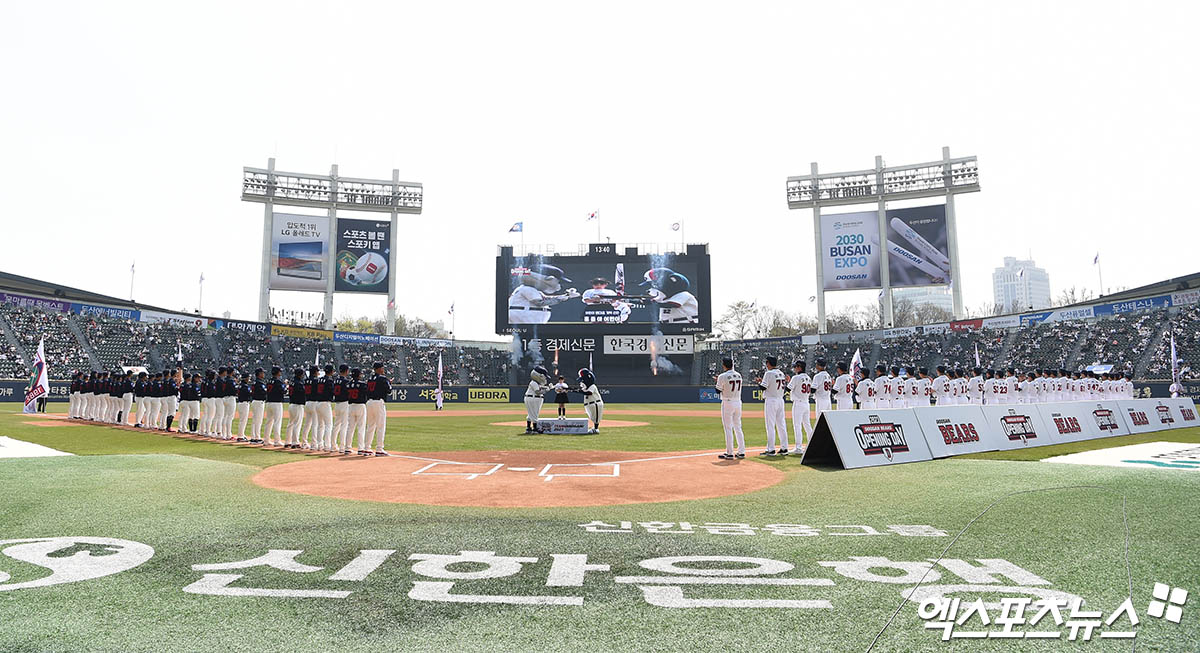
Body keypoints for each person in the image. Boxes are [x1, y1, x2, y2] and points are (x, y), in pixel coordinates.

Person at [758, 356, 789, 456]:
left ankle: (771, 449)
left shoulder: (769, 373)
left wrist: (759, 382)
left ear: (768, 363)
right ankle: (784, 448)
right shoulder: (781, 373)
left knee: (770, 425)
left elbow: (763, 387)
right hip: (780, 400)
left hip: (771, 400)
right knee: (781, 425)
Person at [715, 358, 745, 460]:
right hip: (738, 401)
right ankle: (741, 451)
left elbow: (717, 391)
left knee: (728, 428)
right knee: (738, 427)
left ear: (724, 365)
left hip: (727, 402)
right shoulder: (739, 375)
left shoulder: (722, 376)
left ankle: (730, 453)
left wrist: (718, 382)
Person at [364, 362, 391, 456]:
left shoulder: (370, 378)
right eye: (382, 368)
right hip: (378, 402)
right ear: (379, 369)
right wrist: (389, 382)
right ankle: (379, 449)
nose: (383, 369)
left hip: (369, 402)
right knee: (380, 426)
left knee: (370, 426)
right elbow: (389, 390)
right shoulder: (383, 378)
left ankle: (367, 448)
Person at [787, 360, 813, 452]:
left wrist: (788, 382)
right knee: (807, 425)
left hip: (798, 403)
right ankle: (812, 444)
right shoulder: (808, 378)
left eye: (795, 367)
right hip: (806, 402)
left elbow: (788, 388)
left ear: (799, 367)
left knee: (797, 425)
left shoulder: (796, 378)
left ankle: (798, 447)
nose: (794, 368)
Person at [347, 368, 368, 454]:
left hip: (351, 406)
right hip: (360, 405)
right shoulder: (362, 384)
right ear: (358, 375)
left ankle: (347, 447)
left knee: (350, 428)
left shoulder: (348, 384)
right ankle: (360, 448)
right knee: (361, 427)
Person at [577, 368, 604, 434]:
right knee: (592, 416)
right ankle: (594, 428)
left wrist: (580, 391)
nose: (582, 382)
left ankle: (596, 428)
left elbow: (589, 393)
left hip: (596, 403)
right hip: (589, 404)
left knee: (596, 417)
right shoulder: (586, 387)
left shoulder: (592, 386)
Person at [264, 367, 286, 447]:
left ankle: (266, 440)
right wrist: (285, 385)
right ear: (277, 373)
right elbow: (283, 391)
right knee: (277, 421)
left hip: (269, 402)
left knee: (269, 421)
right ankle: (277, 441)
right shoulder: (278, 381)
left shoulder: (269, 381)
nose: (281, 373)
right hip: (277, 403)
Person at [524, 366, 550, 434]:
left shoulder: (535, 383)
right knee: (535, 414)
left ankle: (528, 428)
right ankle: (535, 429)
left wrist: (547, 387)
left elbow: (540, 387)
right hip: (534, 398)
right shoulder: (534, 382)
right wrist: (546, 390)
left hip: (533, 398)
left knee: (530, 414)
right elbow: (537, 391)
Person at [315, 364, 335, 452]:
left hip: (318, 403)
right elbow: (332, 391)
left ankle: (320, 445)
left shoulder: (319, 380)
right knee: (328, 425)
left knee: (320, 425)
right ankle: (327, 445)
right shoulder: (329, 380)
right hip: (325, 403)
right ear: (331, 371)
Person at [331, 365, 350, 453]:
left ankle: (333, 445)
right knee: (344, 425)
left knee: (336, 425)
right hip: (344, 403)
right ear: (346, 371)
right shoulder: (346, 381)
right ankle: (342, 447)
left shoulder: (336, 381)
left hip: (337, 404)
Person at [285, 368, 306, 449]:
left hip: (291, 404)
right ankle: (295, 442)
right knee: (297, 424)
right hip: (298, 405)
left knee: (291, 423)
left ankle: (287, 441)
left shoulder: (292, 382)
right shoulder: (299, 383)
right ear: (300, 374)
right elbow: (303, 393)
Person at [299, 366, 318, 449]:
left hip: (307, 402)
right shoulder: (316, 380)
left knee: (307, 424)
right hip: (314, 403)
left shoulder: (306, 380)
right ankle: (314, 444)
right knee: (315, 424)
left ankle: (304, 442)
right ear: (315, 372)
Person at [235, 371, 252, 441]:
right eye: (248, 377)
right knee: (243, 420)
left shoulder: (240, 385)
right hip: (244, 403)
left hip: (240, 403)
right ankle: (240, 436)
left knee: (242, 419)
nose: (249, 379)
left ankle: (241, 434)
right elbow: (249, 394)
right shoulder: (245, 386)